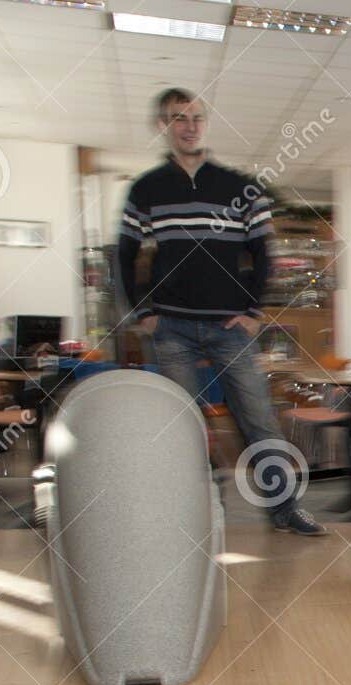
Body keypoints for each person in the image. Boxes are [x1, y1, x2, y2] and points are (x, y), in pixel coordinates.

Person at [117, 87, 325, 536]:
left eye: (196, 117)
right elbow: (125, 253)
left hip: (231, 326)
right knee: (184, 424)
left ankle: (285, 509)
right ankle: (205, 507)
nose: (189, 126)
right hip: (171, 326)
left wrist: (253, 311)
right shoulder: (146, 189)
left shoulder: (240, 187)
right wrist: (143, 312)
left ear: (205, 123)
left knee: (259, 420)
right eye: (178, 118)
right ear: (163, 125)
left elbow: (264, 252)